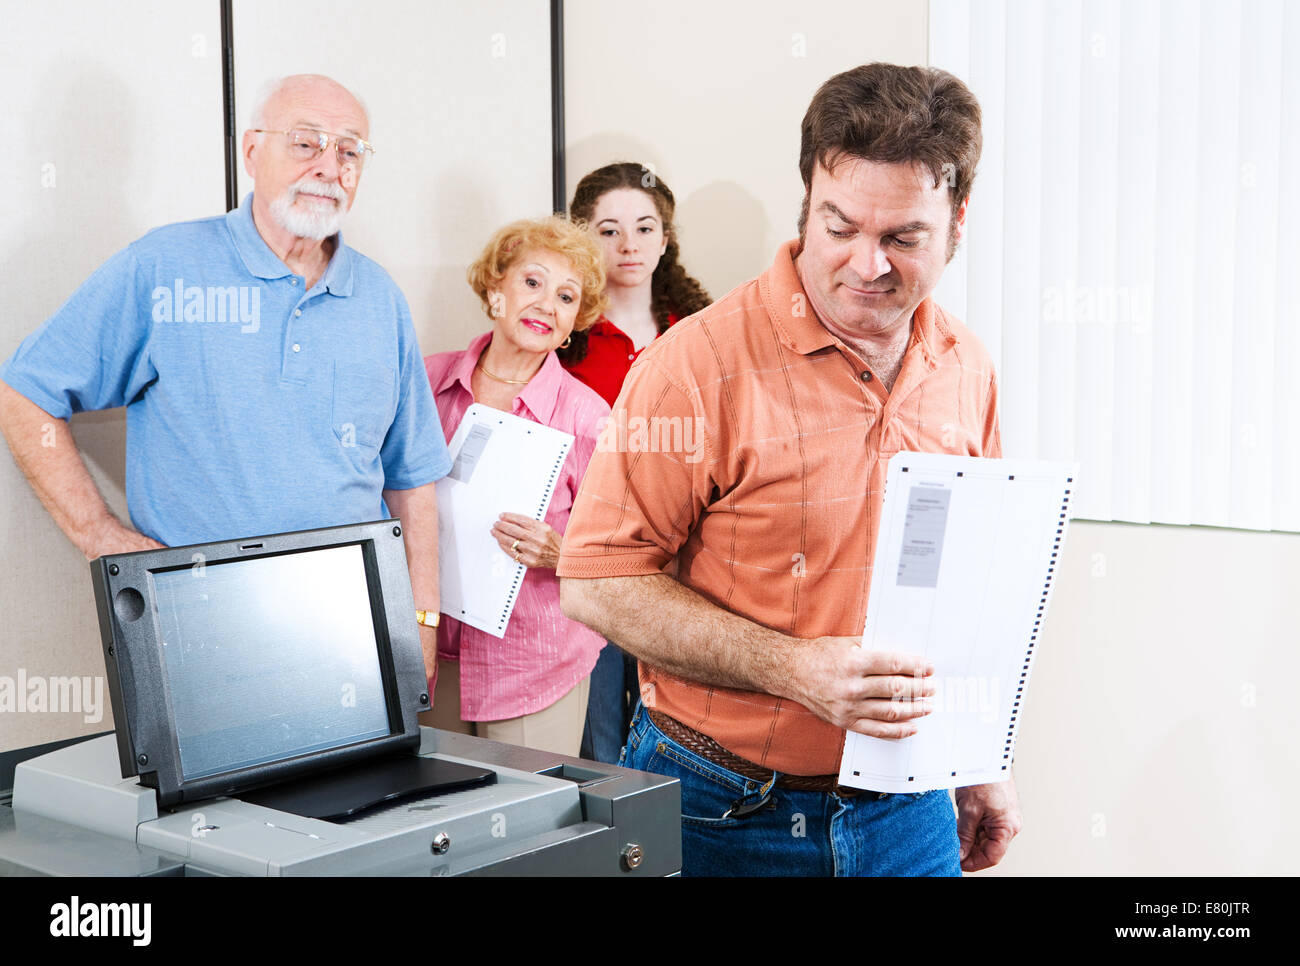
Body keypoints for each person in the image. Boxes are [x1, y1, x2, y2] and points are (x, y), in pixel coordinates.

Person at [558, 63, 1020, 876]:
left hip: (909, 806)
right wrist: (793, 668)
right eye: (838, 227)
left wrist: (979, 762)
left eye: (904, 238)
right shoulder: (694, 364)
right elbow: (597, 578)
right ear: (806, 200)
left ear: (958, 221)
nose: (866, 265)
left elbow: (966, 587)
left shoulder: (967, 366)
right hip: (719, 809)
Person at [0, 74, 450, 684]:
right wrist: (100, 535)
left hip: (354, 633)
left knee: (358, 782)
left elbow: (411, 481)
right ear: (251, 151)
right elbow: (25, 391)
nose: (329, 165)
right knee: (216, 786)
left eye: (349, 151)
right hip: (197, 632)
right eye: (305, 143)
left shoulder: (380, 298)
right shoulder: (166, 267)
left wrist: (420, 625)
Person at [423, 216, 610, 756]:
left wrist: (561, 552)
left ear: (576, 320)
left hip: (536, 662)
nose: (547, 305)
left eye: (566, 296)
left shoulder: (587, 416)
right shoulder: (427, 383)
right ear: (494, 288)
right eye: (532, 283)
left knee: (531, 829)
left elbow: (626, 549)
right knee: (437, 824)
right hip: (432, 648)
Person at [561, 162, 711, 763]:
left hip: (683, 564)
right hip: (587, 562)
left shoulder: (701, 333)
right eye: (609, 230)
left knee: (675, 732)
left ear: (666, 240)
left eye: (645, 228)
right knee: (597, 741)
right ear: (583, 237)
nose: (629, 245)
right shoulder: (562, 331)